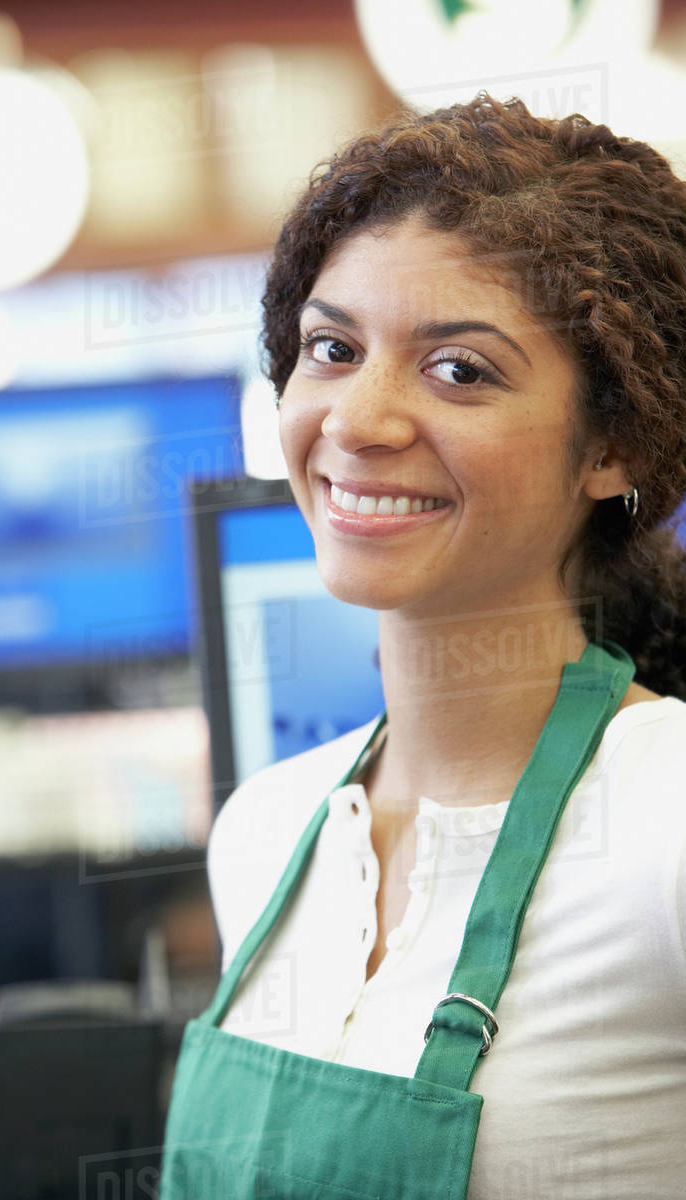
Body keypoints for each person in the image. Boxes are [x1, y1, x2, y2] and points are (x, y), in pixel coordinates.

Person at [159, 93, 686, 1200]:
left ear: (614, 443)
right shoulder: (264, 833)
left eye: (459, 370)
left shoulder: (664, 816)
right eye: (332, 348)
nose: (358, 420)